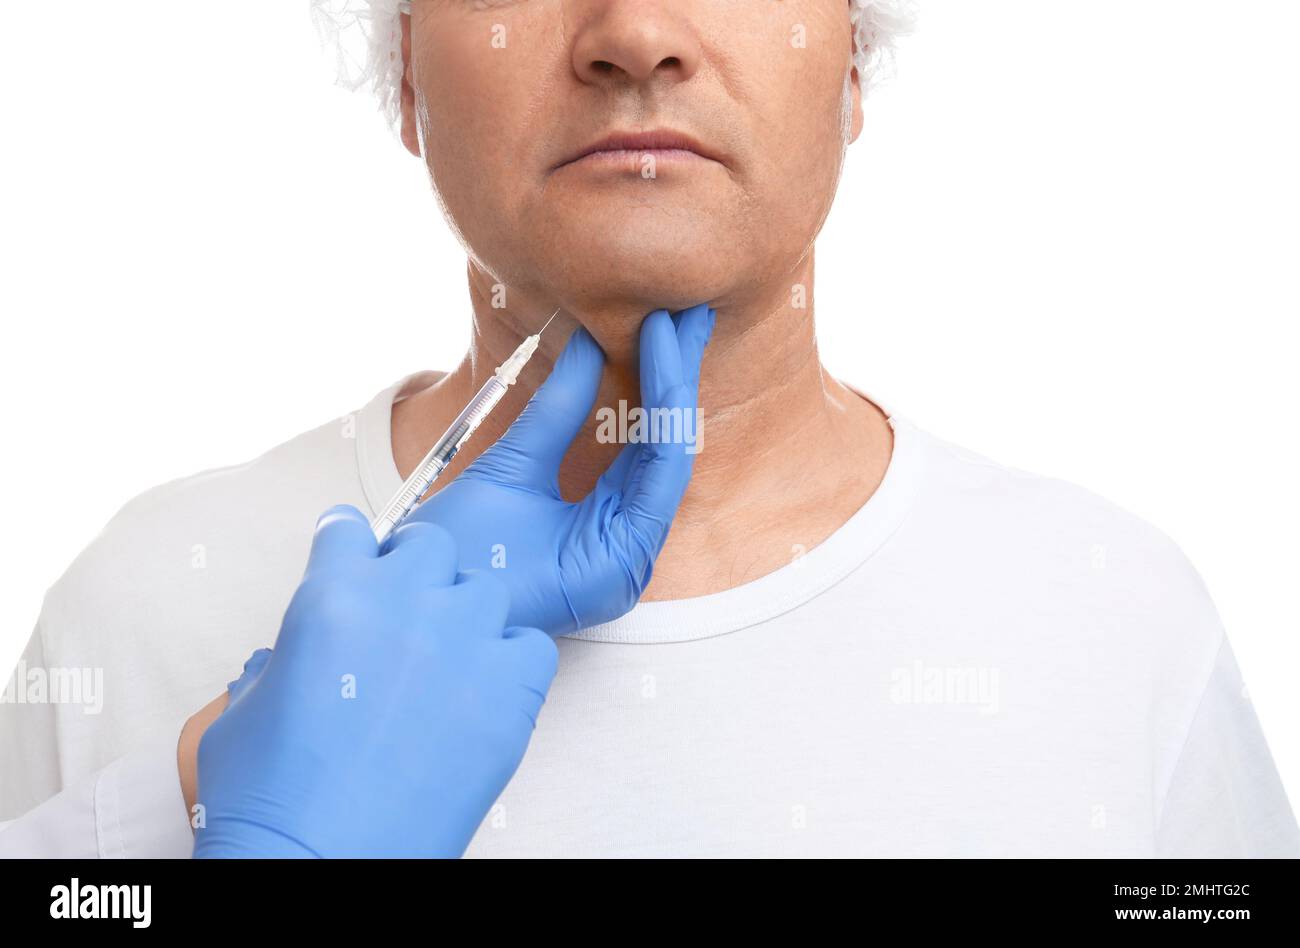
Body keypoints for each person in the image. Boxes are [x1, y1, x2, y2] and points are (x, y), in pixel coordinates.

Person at [2, 0, 1297, 858]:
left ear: (851, 61)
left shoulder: (1116, 623)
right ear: (404, 74)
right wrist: (205, 810)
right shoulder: (141, 607)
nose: (632, 34)